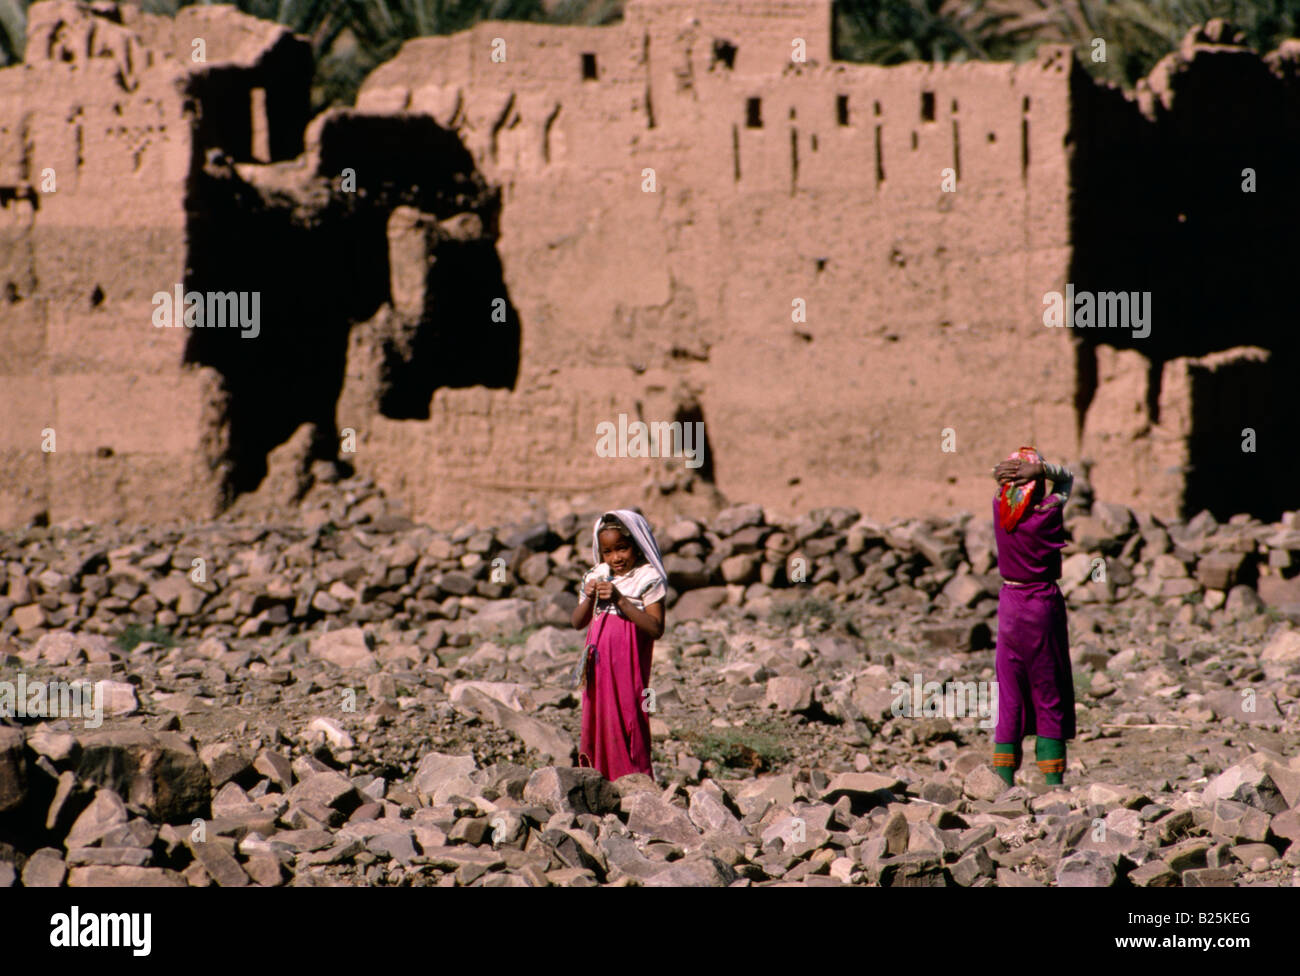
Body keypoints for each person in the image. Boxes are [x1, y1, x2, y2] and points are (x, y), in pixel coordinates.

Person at [990, 447, 1076, 787]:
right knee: (1047, 686)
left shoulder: (1000, 509)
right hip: (1042, 605)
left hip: (1010, 606)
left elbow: (999, 484)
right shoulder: (1046, 513)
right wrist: (1043, 469)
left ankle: (1003, 779)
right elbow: (1067, 479)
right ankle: (1053, 781)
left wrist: (1004, 473)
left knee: (1009, 688)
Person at [570, 509, 668, 780]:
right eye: (607, 552)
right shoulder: (597, 574)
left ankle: (633, 778)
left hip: (627, 661)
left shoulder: (647, 577)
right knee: (599, 715)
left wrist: (620, 600)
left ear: (636, 545)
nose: (615, 558)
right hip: (598, 662)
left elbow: (656, 628)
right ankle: (599, 777)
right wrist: (590, 597)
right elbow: (577, 622)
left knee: (629, 714)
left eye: (622, 548)